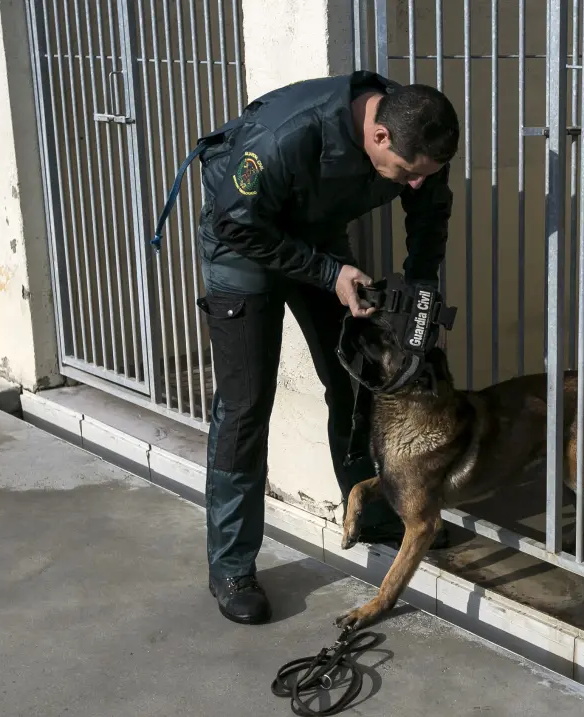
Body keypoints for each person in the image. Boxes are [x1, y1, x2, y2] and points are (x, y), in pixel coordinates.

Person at [175, 70, 459, 625]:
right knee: (245, 407)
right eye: (407, 174)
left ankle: (369, 511)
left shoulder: (418, 137)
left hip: (317, 238)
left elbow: (429, 212)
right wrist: (327, 271)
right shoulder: (285, 136)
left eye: (428, 174)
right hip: (243, 249)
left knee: (355, 381)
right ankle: (231, 566)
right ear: (379, 138)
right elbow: (237, 223)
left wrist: (419, 287)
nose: (417, 184)